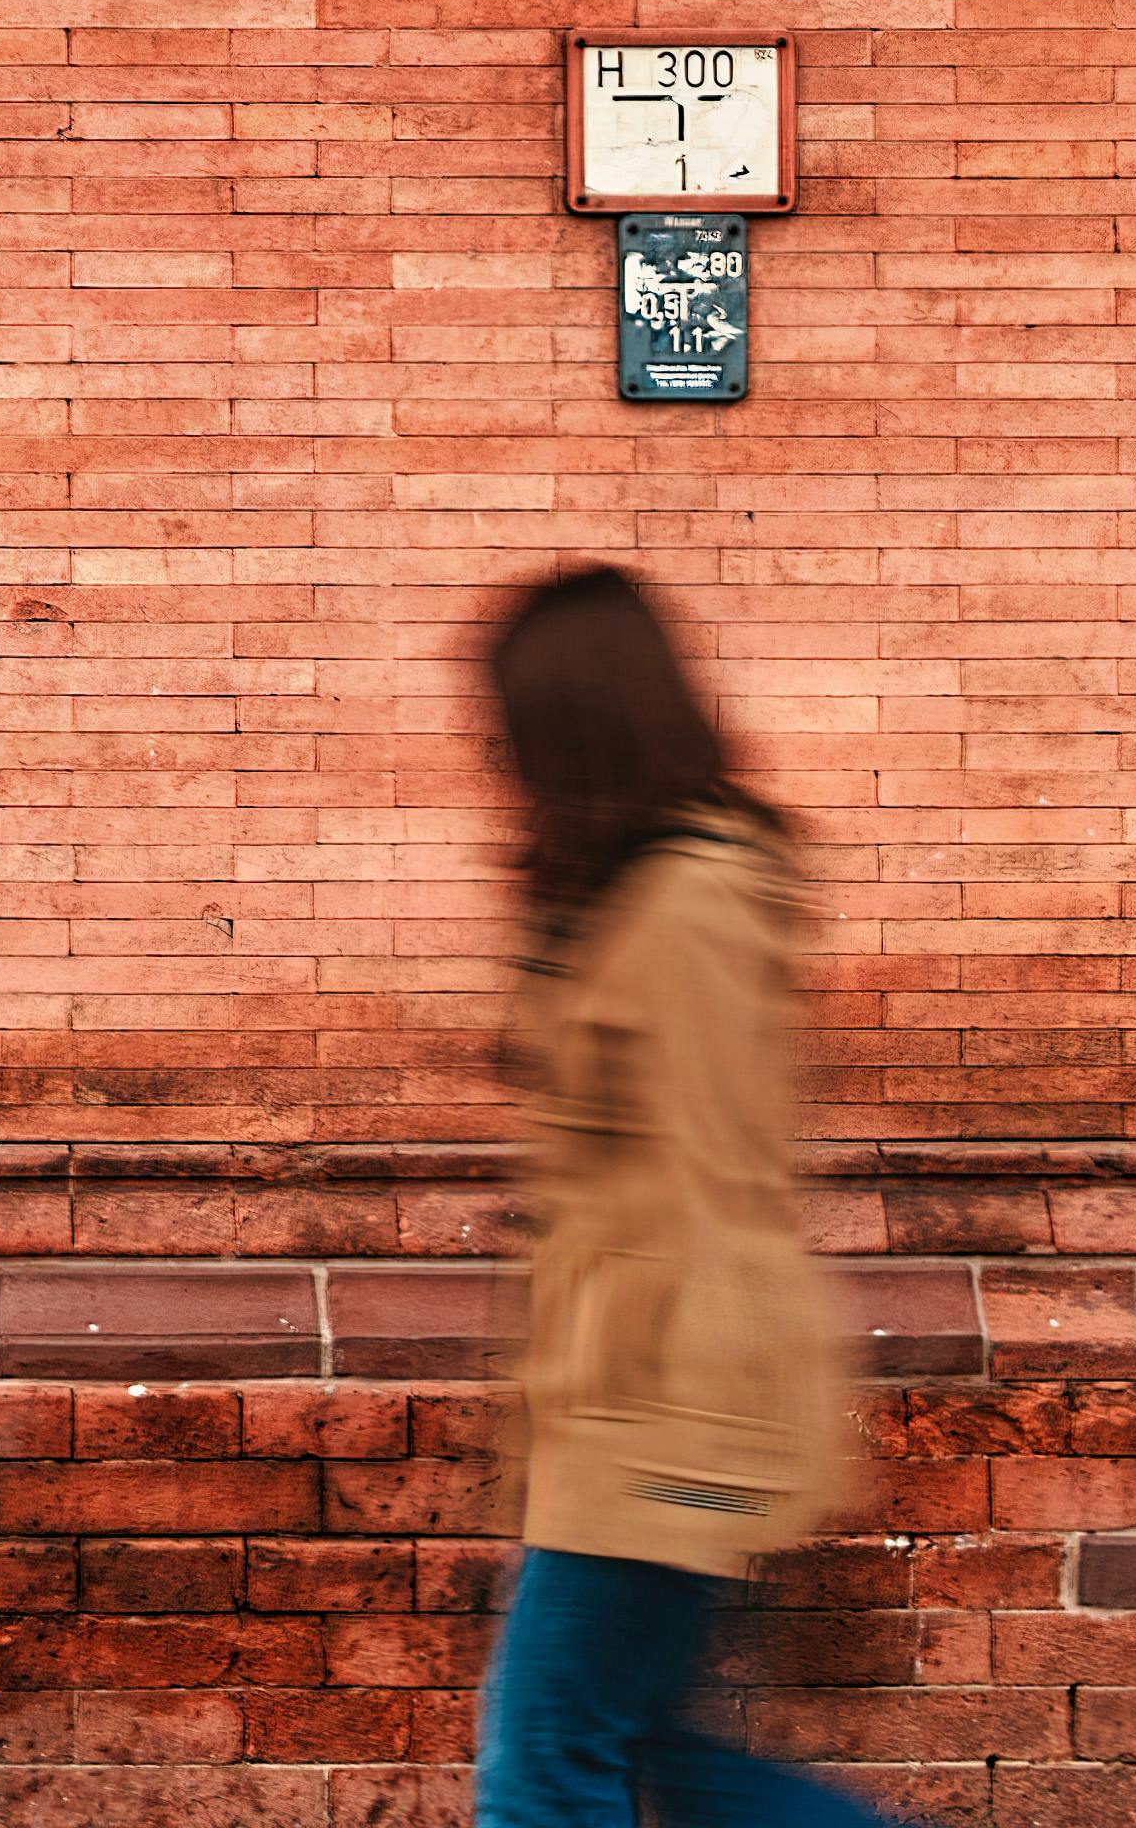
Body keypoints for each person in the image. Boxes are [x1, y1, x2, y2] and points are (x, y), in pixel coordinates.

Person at [470, 564, 906, 1828]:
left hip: (667, 1407)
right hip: (625, 1402)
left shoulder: (691, 901)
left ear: (575, 724)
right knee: (649, 1746)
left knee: (543, 1767)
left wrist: (676, 1443)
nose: (496, 756)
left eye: (512, 728)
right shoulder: (638, 891)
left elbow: (718, 1179)